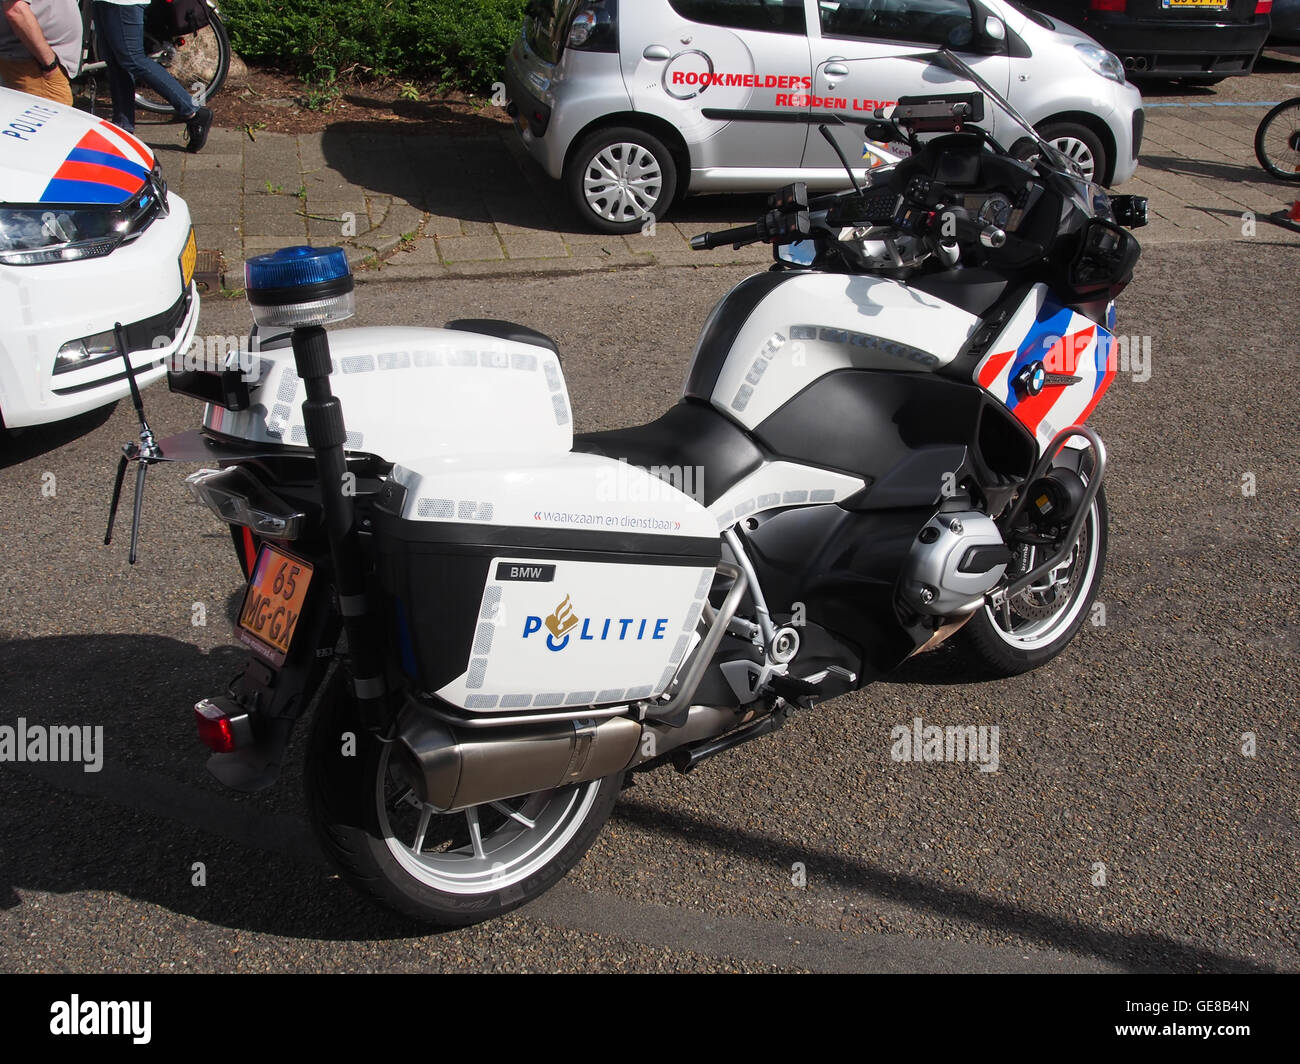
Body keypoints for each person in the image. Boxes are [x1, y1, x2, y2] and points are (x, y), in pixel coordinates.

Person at [92, 0, 211, 150]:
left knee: (133, 59)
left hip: (122, 3)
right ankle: (123, 127)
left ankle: (193, 111)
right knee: (115, 62)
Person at [0, 0, 81, 106]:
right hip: (36, 68)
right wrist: (50, 64)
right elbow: (16, 10)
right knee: (52, 121)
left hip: (38, 66)